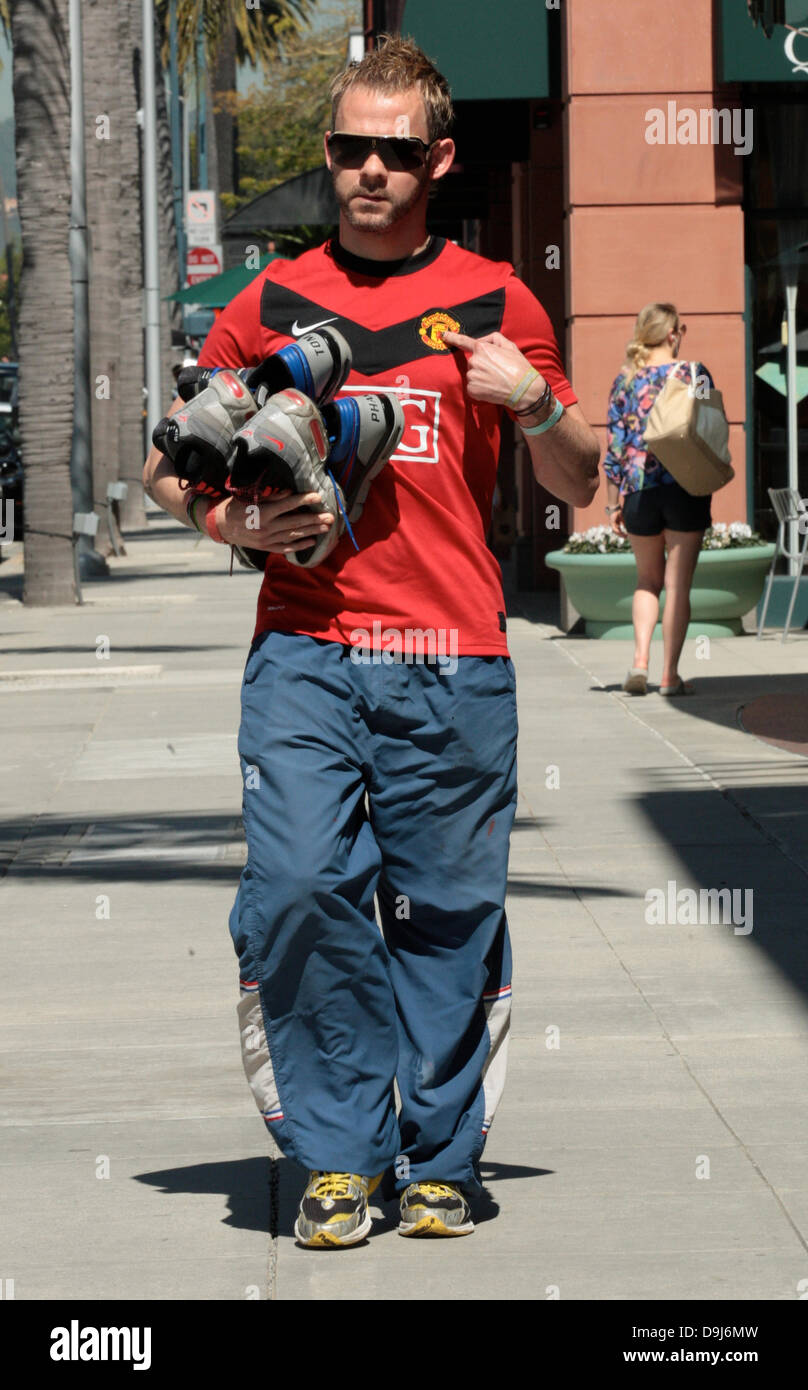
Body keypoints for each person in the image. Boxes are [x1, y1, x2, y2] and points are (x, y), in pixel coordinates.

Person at [143, 35, 599, 1247]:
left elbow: (582, 478)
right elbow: (165, 464)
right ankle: (339, 1154)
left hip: (453, 654)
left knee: (444, 915)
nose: (368, 171)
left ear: (438, 159)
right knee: (300, 888)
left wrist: (536, 400)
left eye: (396, 152)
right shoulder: (271, 302)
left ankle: (439, 1153)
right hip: (306, 647)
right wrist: (232, 517)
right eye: (349, 147)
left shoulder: (502, 302)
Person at [602, 303, 713, 696]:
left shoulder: (625, 380)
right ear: (671, 334)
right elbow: (710, 424)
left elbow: (615, 444)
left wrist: (614, 502)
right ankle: (669, 677)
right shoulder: (693, 372)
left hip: (638, 491)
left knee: (647, 581)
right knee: (677, 585)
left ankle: (639, 662)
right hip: (685, 485)